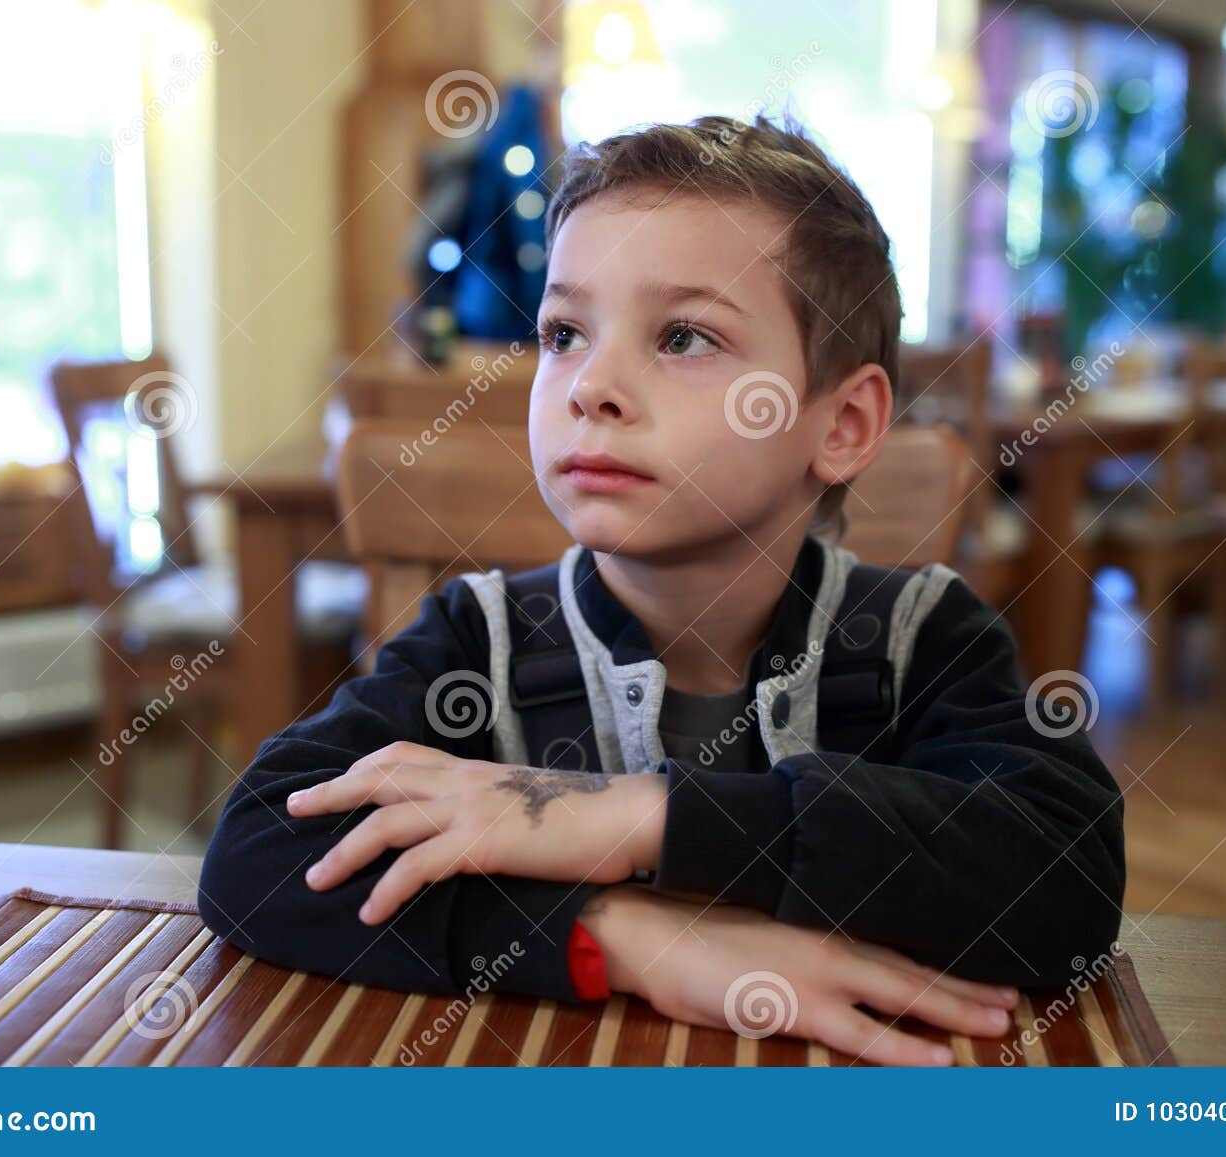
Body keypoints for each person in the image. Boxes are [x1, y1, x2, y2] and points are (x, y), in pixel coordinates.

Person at [198, 113, 1125, 1066]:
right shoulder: (476, 642)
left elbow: (1067, 876)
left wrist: (639, 815)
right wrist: (625, 933)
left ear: (842, 423)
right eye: (564, 331)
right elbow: (258, 853)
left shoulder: (920, 637)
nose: (591, 384)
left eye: (683, 336)